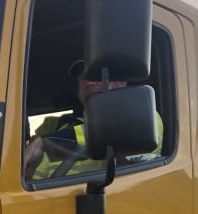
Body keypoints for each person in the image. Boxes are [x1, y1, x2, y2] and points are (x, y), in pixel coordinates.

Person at [23, 59, 162, 180]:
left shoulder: (142, 113)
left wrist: (48, 142)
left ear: (120, 81)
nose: (89, 81)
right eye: (83, 77)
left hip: (98, 202)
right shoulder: (54, 125)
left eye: (97, 75)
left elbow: (109, 132)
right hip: (34, 201)